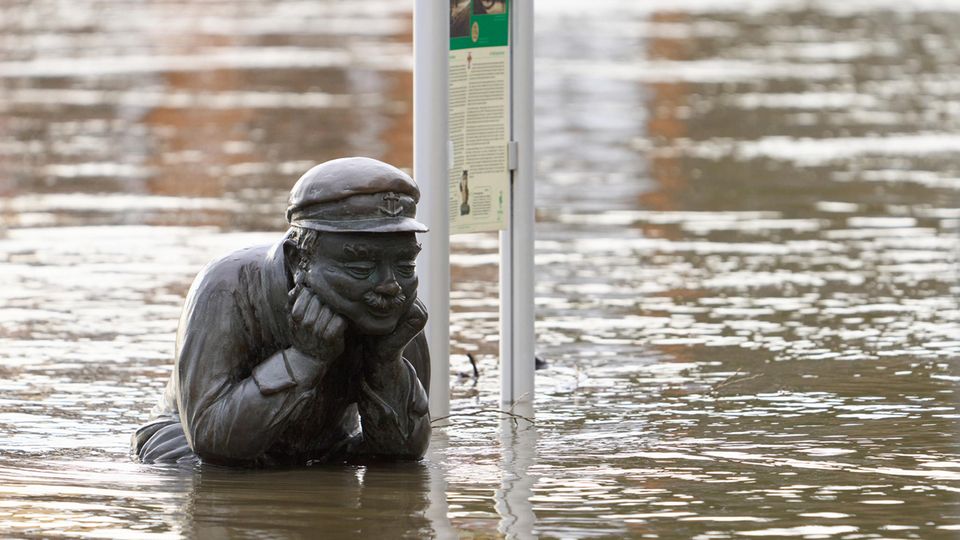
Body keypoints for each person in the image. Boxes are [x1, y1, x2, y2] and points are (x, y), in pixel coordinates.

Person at [132, 157, 431, 466]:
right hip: (189, 441)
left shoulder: (396, 314)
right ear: (297, 260)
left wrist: (386, 365)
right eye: (360, 267)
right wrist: (305, 359)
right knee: (197, 470)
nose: (390, 286)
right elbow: (209, 439)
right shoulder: (226, 286)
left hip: (324, 449)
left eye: (405, 265)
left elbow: (402, 454)